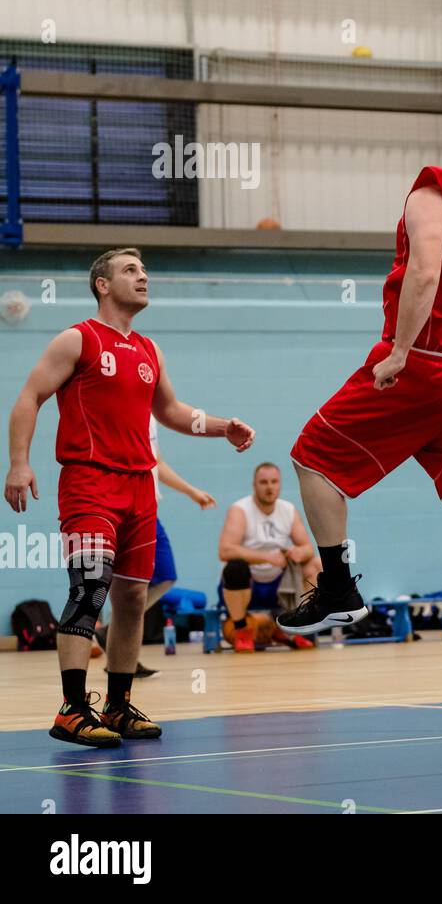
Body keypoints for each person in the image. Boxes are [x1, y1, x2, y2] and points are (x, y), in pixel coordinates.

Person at [278, 0, 442, 707]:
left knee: (311, 456)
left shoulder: (436, 189)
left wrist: (397, 350)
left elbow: (423, 272)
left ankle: (337, 587)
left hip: (421, 364)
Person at [4, 248, 255, 748]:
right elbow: (29, 397)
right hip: (90, 481)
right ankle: (73, 710)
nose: (143, 277)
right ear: (102, 284)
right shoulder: (78, 339)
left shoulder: (148, 350)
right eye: (130, 271)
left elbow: (172, 411)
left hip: (141, 489)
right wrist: (18, 462)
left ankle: (116, 706)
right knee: (89, 586)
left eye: (143, 271)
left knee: (133, 599)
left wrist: (222, 426)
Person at [98, 415, 217, 678]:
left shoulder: (149, 417)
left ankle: (112, 633)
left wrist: (190, 491)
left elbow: (157, 462)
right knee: (126, 586)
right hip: (124, 507)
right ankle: (122, 657)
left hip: (149, 507)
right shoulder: (119, 409)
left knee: (165, 576)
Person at [218, 462, 320, 652]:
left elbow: (308, 548)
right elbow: (225, 551)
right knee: (234, 568)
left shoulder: (288, 510)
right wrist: (266, 557)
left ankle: (297, 628)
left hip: (279, 585)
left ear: (280, 484)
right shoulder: (240, 510)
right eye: (263, 482)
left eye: (274, 482)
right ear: (254, 485)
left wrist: (298, 552)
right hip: (248, 584)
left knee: (315, 564)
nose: (269, 487)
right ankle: (242, 630)